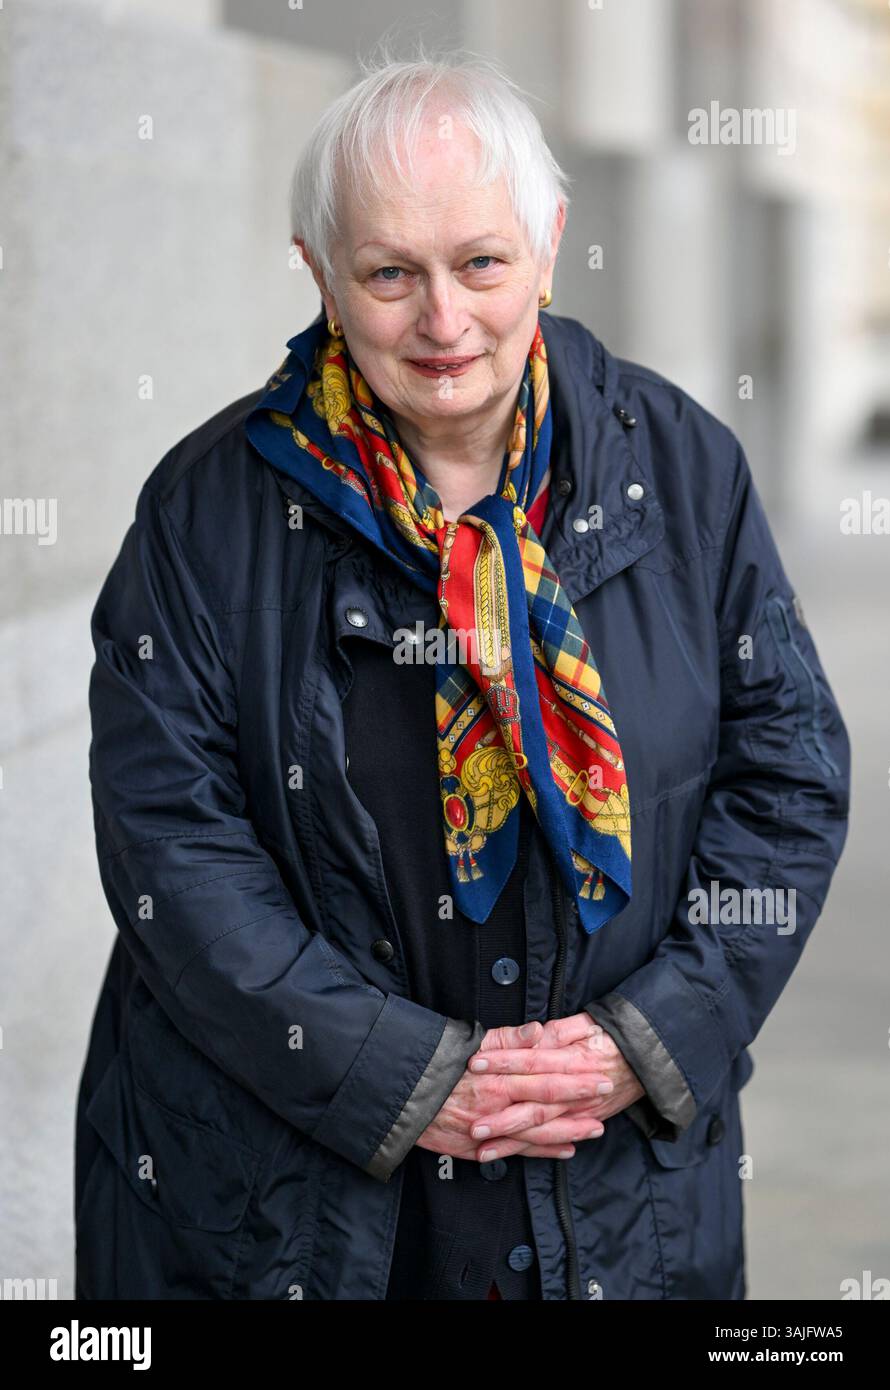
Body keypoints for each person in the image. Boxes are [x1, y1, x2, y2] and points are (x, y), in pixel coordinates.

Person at [74, 50, 850, 1301]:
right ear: (321, 269)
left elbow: (787, 782)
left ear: (547, 245)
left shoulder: (682, 467)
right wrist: (397, 1075)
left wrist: (643, 1041)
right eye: (389, 274)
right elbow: (172, 844)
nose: (443, 322)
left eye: (481, 263)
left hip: (613, 1194)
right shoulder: (204, 510)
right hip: (288, 1205)